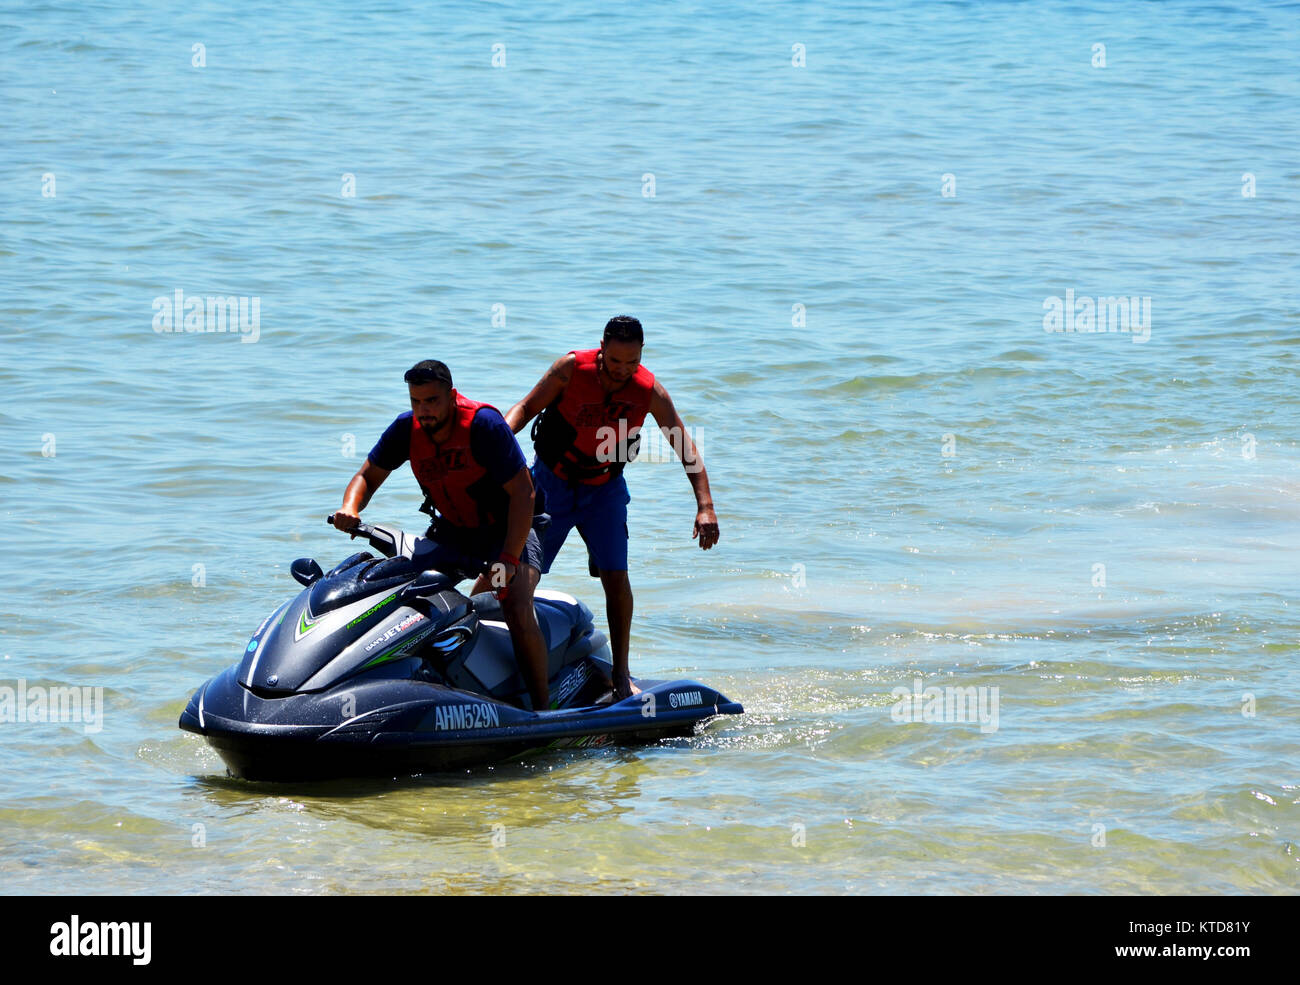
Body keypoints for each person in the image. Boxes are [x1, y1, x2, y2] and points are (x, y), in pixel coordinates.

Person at [500, 315, 719, 701]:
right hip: (551, 487)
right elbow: (525, 408)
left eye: (631, 363)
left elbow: (684, 446)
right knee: (512, 571)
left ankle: (620, 675)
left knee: (616, 579)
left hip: (604, 491)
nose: (622, 371)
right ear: (601, 348)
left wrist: (705, 506)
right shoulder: (570, 369)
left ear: (641, 355)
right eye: (615, 362)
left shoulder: (650, 391)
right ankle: (464, 640)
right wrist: (496, 447)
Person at [332, 359, 552, 709]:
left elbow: (524, 494)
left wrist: (509, 559)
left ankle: (543, 709)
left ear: (451, 396)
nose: (424, 411)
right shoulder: (406, 429)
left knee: (514, 602)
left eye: (432, 401)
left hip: (507, 530)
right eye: (416, 402)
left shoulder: (484, 425)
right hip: (453, 533)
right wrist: (351, 507)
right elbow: (367, 477)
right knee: (404, 591)